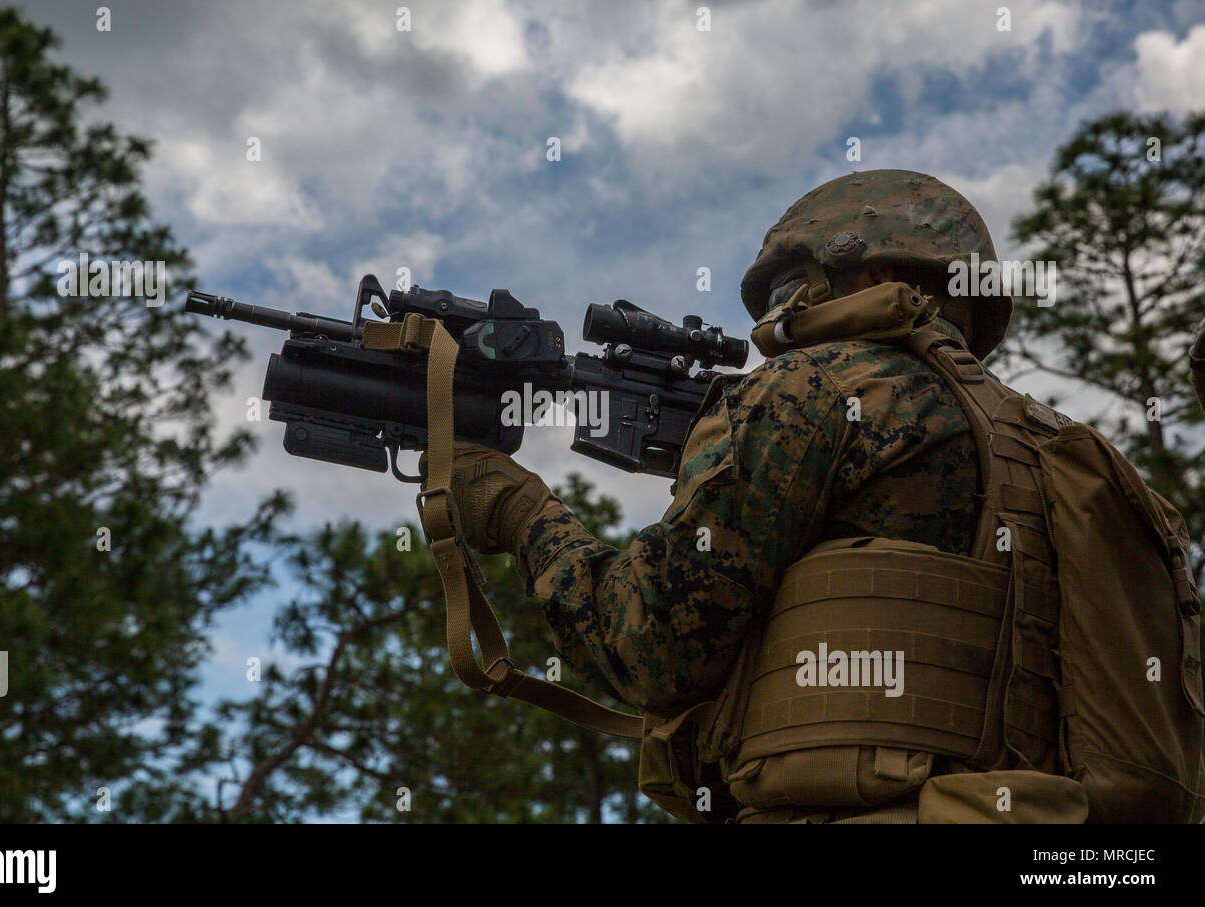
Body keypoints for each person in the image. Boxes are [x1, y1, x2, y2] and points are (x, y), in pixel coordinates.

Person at [427, 170, 1102, 823]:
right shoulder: (1050, 452)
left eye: (790, 284)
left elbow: (649, 646)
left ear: (874, 274)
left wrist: (522, 514)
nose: (779, 315)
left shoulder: (816, 388)